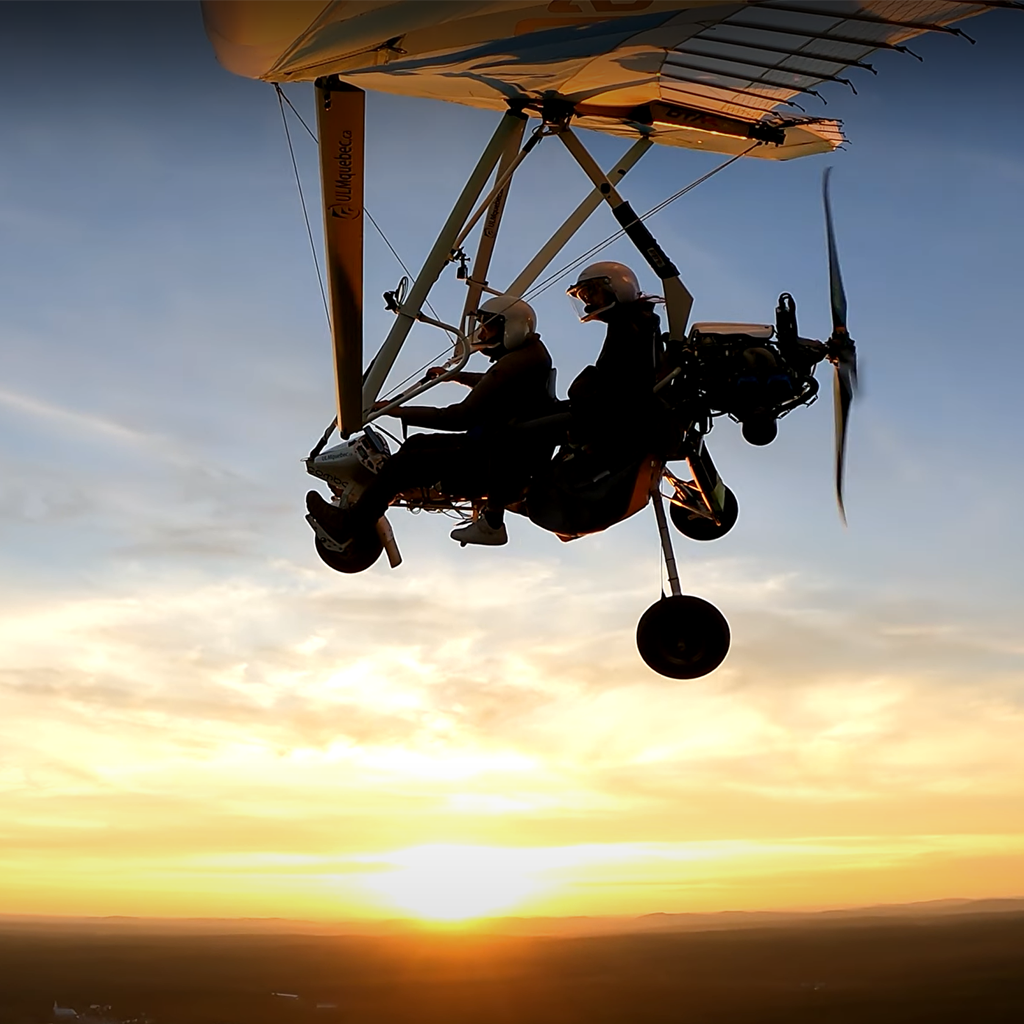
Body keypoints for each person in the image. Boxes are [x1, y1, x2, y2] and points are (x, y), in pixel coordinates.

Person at [306, 295, 556, 548]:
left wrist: (398, 411)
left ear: (510, 328)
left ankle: (348, 525)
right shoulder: (531, 355)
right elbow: (494, 381)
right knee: (415, 443)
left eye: (488, 326)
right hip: (501, 450)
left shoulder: (516, 363)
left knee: (405, 463)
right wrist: (456, 376)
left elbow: (459, 417)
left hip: (494, 461)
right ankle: (379, 498)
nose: (482, 333)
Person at [564, 261, 664, 454]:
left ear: (617, 287)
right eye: (583, 297)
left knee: (518, 433)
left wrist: (579, 433)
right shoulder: (636, 320)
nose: (587, 303)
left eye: (591, 292)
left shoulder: (628, 327)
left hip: (616, 428)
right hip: (619, 422)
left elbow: (617, 392)